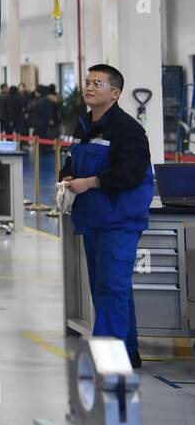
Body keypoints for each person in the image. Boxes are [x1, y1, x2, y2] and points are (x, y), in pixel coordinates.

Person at [59, 64, 153, 370]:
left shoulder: (128, 130)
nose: (88, 87)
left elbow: (129, 173)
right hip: (93, 218)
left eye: (97, 83)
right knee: (107, 288)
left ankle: (107, 359)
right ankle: (128, 351)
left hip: (120, 219)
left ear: (115, 93)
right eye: (87, 82)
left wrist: (91, 182)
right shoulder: (83, 126)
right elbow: (72, 161)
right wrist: (67, 177)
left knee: (111, 287)